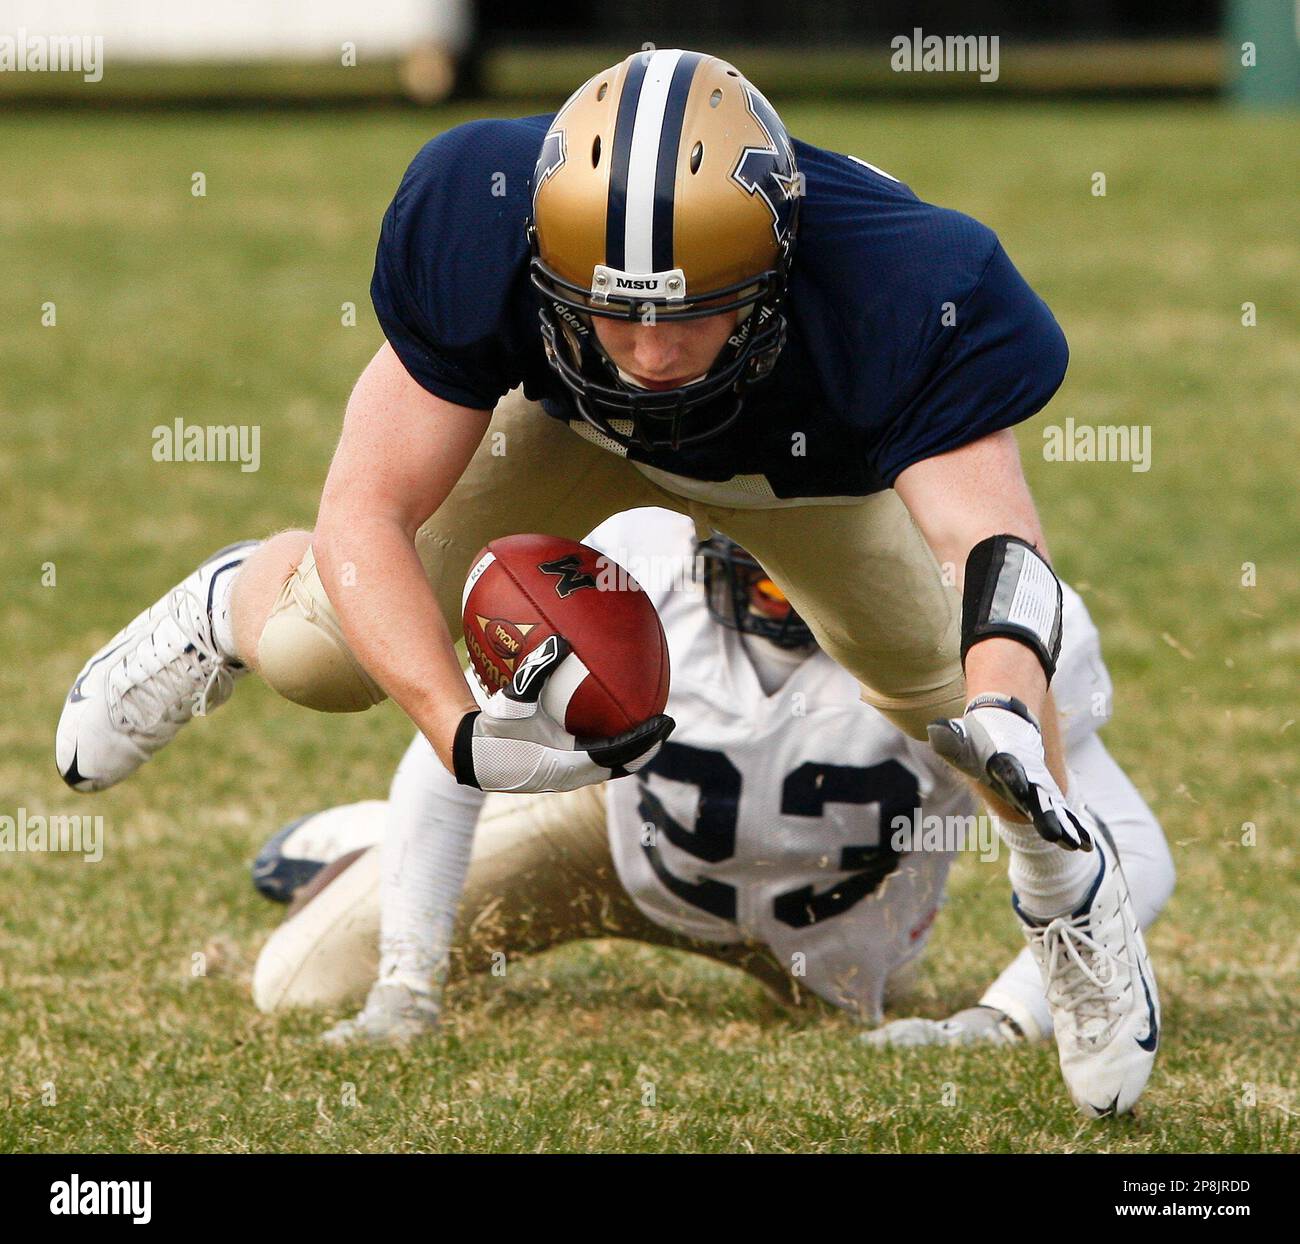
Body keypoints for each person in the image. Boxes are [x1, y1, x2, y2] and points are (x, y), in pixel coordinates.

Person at [56, 49, 1158, 1115]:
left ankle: (1073, 910)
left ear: (777, 266)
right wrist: (454, 729)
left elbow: (996, 556)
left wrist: (1009, 702)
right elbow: (367, 511)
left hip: (805, 477)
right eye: (611, 308)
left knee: (970, 713)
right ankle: (220, 605)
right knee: (319, 651)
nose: (647, 351)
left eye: (687, 310)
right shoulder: (475, 208)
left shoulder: (914, 283)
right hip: (564, 426)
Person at [248, 509, 1173, 1074]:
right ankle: (364, 844)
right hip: (601, 847)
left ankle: (359, 844)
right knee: (293, 985)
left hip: (838, 949)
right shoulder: (635, 558)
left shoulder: (987, 625)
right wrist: (408, 986)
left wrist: (1002, 1019)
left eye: (818, 565)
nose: (789, 592)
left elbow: (1122, 842)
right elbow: (458, 762)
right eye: (773, 562)